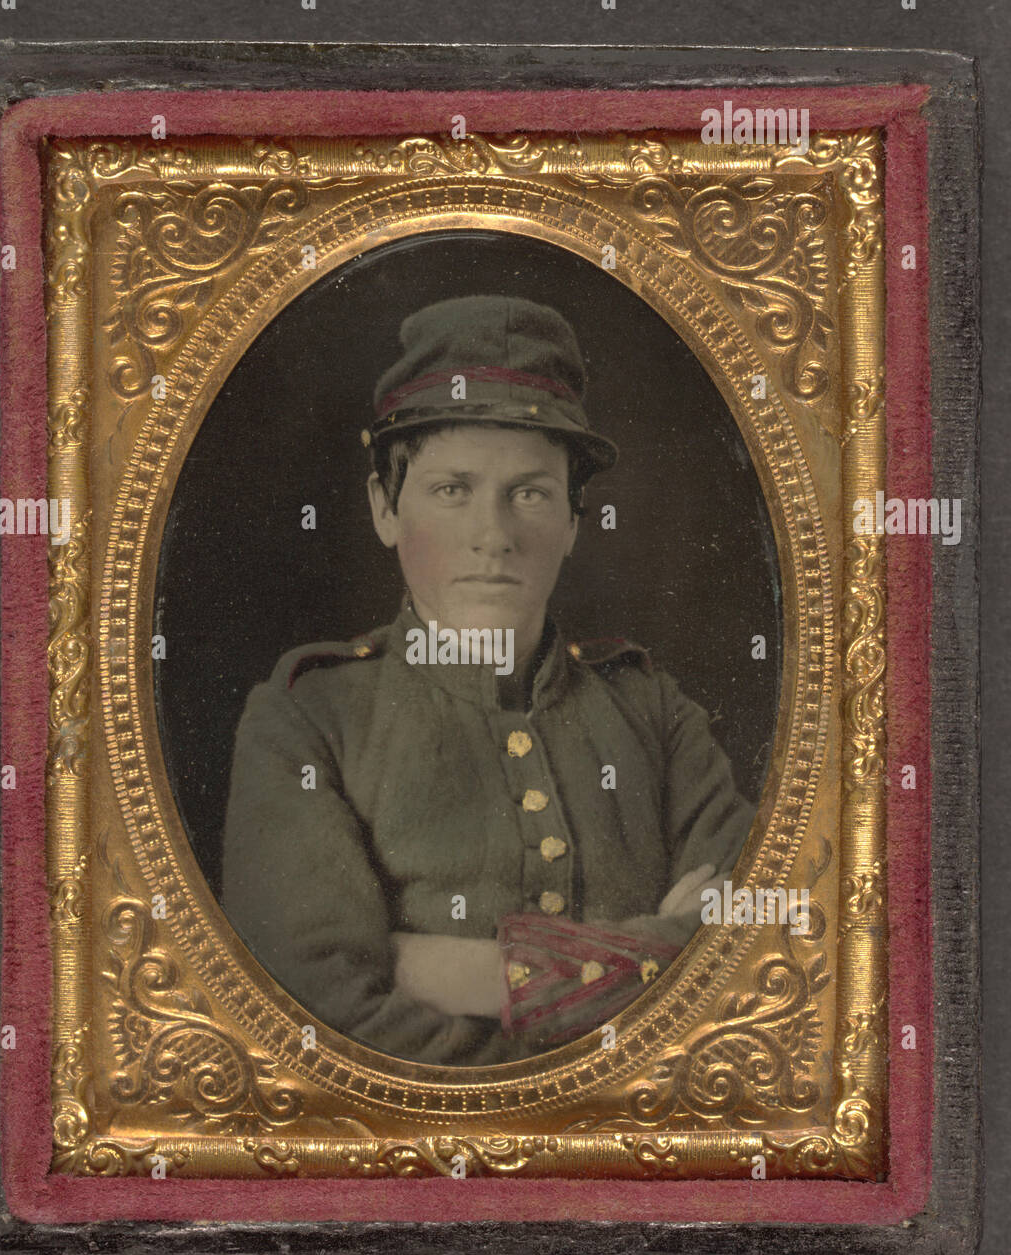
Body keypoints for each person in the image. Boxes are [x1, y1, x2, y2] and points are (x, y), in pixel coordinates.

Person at [221, 295, 754, 1065]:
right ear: (384, 508)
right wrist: (646, 963)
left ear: (572, 523)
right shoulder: (309, 718)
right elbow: (313, 1015)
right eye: (452, 490)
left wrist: (479, 975)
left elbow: (760, 954)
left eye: (530, 493)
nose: (493, 536)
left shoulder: (652, 710)